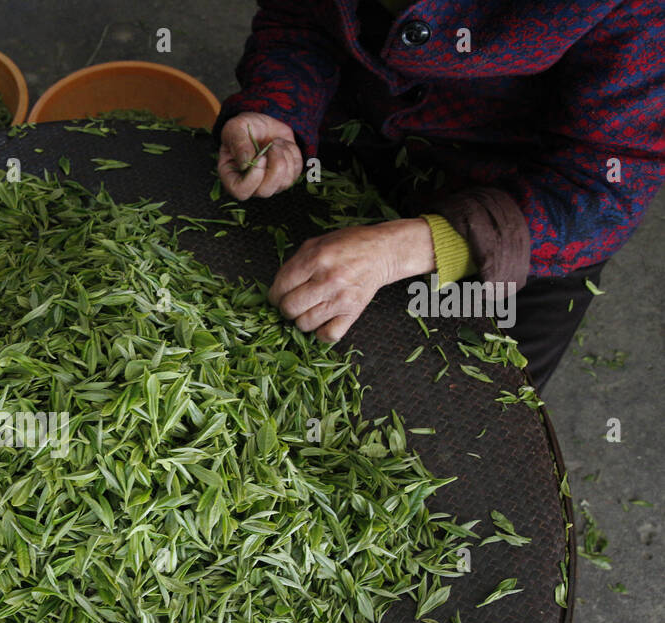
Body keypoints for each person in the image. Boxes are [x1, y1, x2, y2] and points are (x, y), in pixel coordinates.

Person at [215, 0, 665, 390]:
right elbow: (299, 18)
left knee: (458, 423)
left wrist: (402, 250)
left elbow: (608, 181)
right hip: (354, 143)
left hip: (525, 217)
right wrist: (276, 104)